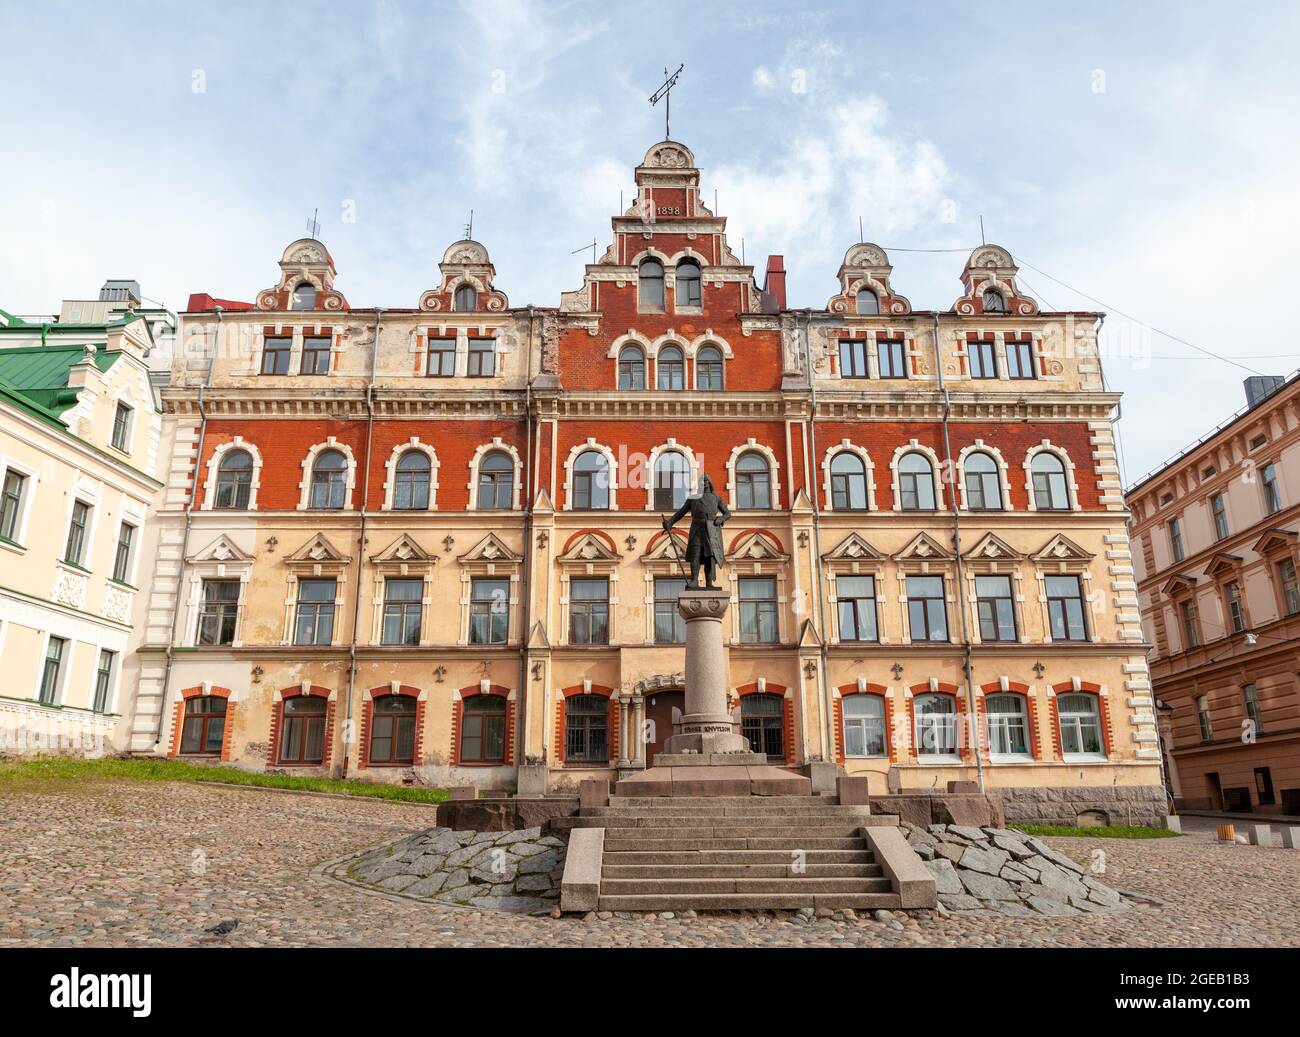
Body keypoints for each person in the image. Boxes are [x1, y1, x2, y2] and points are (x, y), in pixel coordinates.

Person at [663, 474, 731, 590]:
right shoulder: (692, 498)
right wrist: (670, 522)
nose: (703, 483)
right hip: (696, 528)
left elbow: (727, 513)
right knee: (696, 553)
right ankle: (694, 580)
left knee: (710, 556)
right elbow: (681, 512)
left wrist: (720, 519)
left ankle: (709, 583)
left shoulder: (716, 498)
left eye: (705, 481)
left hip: (711, 529)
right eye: (700, 481)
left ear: (709, 482)